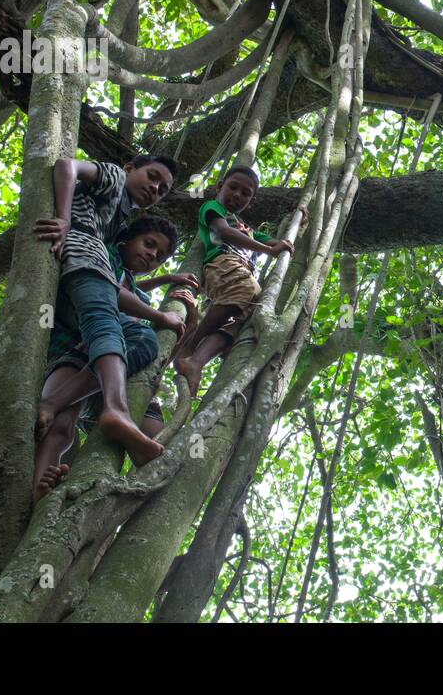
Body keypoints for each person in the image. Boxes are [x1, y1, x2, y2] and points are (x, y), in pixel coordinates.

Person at [32, 216, 197, 502]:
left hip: (116, 375)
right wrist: (160, 315)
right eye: (148, 244)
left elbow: (162, 337)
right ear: (126, 240)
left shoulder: (136, 291)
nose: (151, 256)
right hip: (76, 348)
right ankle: (39, 489)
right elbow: (110, 291)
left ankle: (133, 495)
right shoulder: (102, 253)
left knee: (161, 440)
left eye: (159, 257)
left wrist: (186, 314)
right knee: (60, 425)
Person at [32, 153, 180, 468]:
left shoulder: (116, 222)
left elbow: (125, 283)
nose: (155, 188)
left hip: (74, 293)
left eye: (163, 189)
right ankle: (115, 409)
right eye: (152, 177)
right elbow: (66, 165)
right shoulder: (114, 177)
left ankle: (40, 479)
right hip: (84, 264)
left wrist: (167, 279)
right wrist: (63, 219)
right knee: (138, 337)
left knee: (66, 418)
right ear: (129, 168)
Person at [174, 166, 293, 395]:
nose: (237, 195)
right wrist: (268, 251)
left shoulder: (248, 229)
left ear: (252, 201)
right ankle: (191, 342)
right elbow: (224, 232)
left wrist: (293, 232)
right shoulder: (213, 208)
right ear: (220, 187)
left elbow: (275, 243)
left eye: (245, 193)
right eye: (233, 187)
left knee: (244, 318)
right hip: (222, 264)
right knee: (247, 292)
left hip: (241, 271)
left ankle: (196, 361)